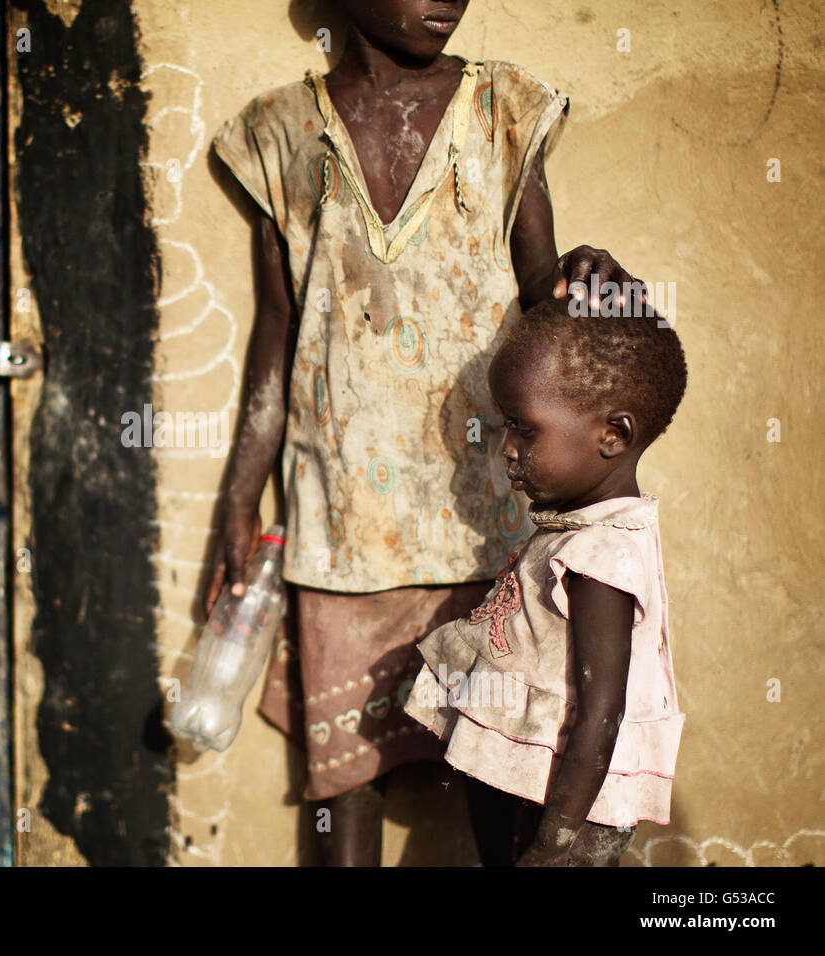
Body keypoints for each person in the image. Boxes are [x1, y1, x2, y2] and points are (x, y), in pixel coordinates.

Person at [203, 0, 647, 865]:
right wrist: (238, 495)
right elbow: (275, 339)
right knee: (348, 784)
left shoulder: (502, 111)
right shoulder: (281, 133)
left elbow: (541, 288)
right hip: (342, 531)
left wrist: (586, 272)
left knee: (500, 771)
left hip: (487, 525)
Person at [403, 296, 687, 866]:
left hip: (558, 805)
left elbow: (601, 713)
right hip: (531, 784)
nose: (506, 447)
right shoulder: (576, 524)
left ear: (612, 435)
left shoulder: (602, 554)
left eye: (522, 428)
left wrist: (552, 846)